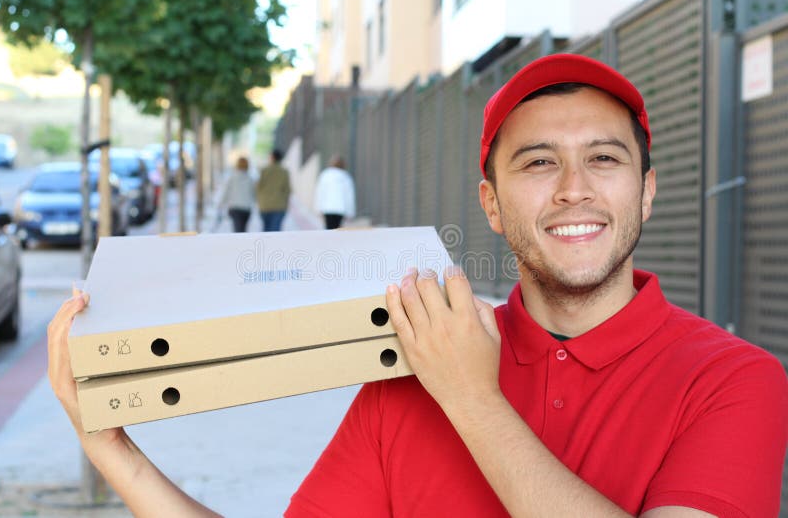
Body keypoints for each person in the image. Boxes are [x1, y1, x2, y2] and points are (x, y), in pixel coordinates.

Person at [47, 54, 788, 517]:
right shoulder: (408, 368)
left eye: (603, 159)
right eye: (536, 163)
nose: (573, 189)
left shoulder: (734, 381)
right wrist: (117, 453)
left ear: (647, 190)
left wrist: (469, 396)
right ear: (490, 206)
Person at [314, 155, 356, 229]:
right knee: (337, 229)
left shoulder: (325, 175)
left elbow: (320, 193)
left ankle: (329, 240)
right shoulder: (346, 177)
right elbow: (349, 196)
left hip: (327, 208)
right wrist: (350, 213)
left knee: (329, 229)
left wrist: (318, 208)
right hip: (340, 209)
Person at [217, 156, 257, 233]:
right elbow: (253, 194)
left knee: (237, 230)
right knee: (243, 230)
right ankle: (242, 243)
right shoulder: (250, 179)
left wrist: (221, 204)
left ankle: (240, 243)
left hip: (234, 208)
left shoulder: (232, 178)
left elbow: (226, 192)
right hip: (246, 208)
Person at [256, 149, 291, 231]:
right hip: (279, 205)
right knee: (276, 231)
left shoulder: (264, 171)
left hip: (265, 205)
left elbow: (258, 187)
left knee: (265, 230)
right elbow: (288, 190)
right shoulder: (284, 172)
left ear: (272, 158)